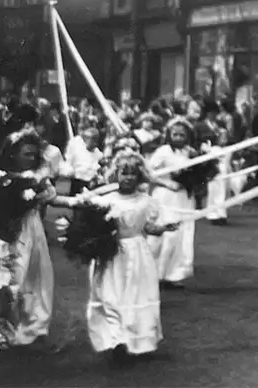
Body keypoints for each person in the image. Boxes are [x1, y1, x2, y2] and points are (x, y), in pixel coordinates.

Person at [0, 129, 76, 352]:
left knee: (37, 277)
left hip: (32, 229)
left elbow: (53, 198)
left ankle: (33, 326)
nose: (31, 159)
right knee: (9, 280)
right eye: (26, 154)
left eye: (34, 155)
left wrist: (80, 201)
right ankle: (3, 332)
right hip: (8, 234)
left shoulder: (38, 179)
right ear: (12, 154)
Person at [82, 151, 179, 363]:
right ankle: (116, 340)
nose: (127, 178)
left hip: (137, 254)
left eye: (133, 174)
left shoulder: (147, 201)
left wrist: (162, 228)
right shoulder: (104, 200)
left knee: (136, 296)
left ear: (140, 176)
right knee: (111, 296)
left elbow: (148, 227)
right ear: (115, 174)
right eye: (123, 173)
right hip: (111, 254)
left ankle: (136, 339)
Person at [146, 118, 198, 288]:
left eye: (182, 134)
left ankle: (171, 274)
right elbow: (148, 171)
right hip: (166, 196)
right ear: (168, 135)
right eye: (174, 134)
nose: (178, 137)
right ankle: (154, 273)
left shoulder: (190, 152)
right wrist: (167, 183)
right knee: (166, 233)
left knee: (182, 235)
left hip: (184, 197)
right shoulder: (163, 151)